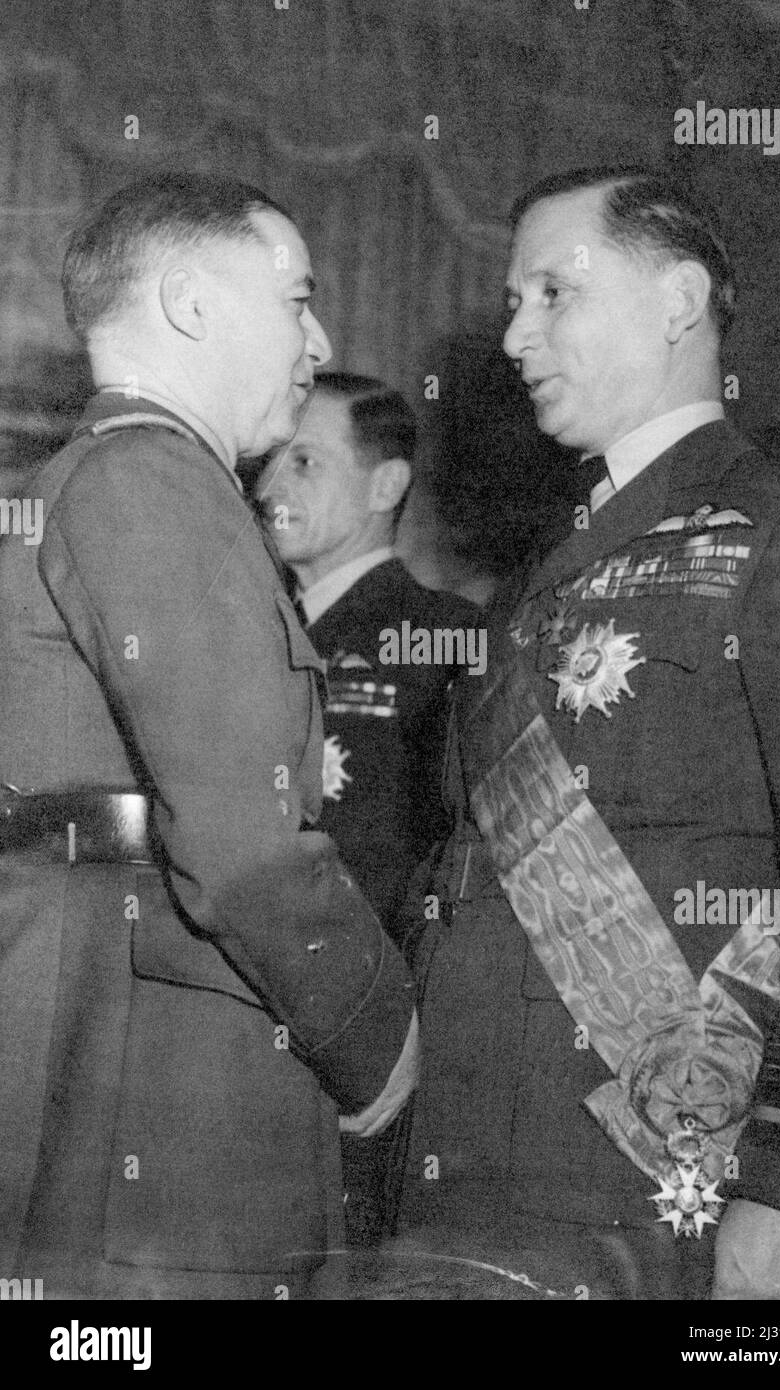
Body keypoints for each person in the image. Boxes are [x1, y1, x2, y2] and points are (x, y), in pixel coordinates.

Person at [396, 165, 780, 1300]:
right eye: (511, 302)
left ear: (676, 301)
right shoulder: (541, 568)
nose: (515, 336)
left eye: (552, 293)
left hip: (647, 1177)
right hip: (469, 1159)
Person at [0, 172, 417, 1301]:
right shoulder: (155, 480)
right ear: (190, 302)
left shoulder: (95, 478)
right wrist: (381, 1038)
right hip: (176, 1107)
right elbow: (242, 847)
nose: (318, 338)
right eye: (295, 298)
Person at [256, 372, 476, 1247]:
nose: (272, 488)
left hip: (372, 1048)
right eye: (269, 462)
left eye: (305, 462)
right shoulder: (248, 632)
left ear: (386, 486)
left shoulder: (445, 637)